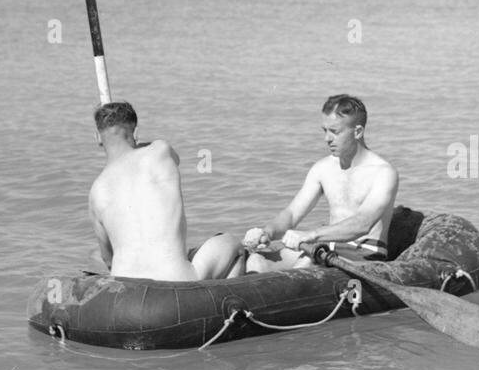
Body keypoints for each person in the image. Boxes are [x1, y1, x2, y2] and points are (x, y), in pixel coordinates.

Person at [88, 101, 246, 282]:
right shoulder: (160, 150)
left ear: (97, 138)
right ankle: (223, 302)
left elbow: (108, 259)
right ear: (137, 134)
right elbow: (176, 160)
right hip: (177, 280)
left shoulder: (96, 191)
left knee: (95, 255)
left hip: (128, 289)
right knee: (231, 243)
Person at [243, 95, 398, 272]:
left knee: (306, 263)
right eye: (324, 130)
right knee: (256, 261)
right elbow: (292, 214)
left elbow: (362, 224)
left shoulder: (384, 173)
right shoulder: (322, 168)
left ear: (358, 132)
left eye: (335, 131)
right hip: (327, 247)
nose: (327, 138)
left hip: (364, 254)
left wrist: (311, 235)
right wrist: (267, 232)